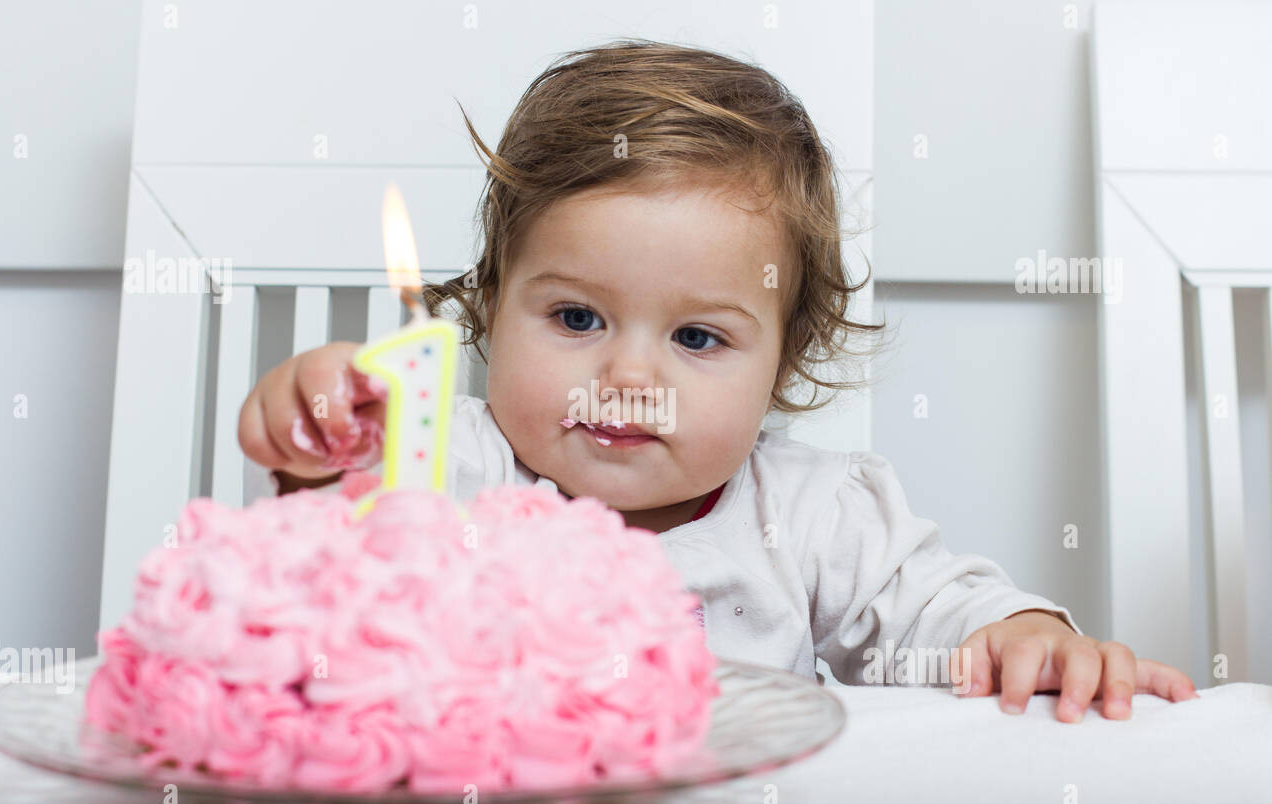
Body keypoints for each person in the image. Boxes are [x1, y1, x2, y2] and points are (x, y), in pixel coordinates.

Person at [238, 39, 1197, 722]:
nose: (627, 375)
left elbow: (936, 610)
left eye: (697, 337)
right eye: (576, 318)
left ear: (784, 361)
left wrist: (1020, 632)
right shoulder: (461, 465)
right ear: (491, 308)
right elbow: (340, 543)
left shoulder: (816, 516)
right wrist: (327, 437)